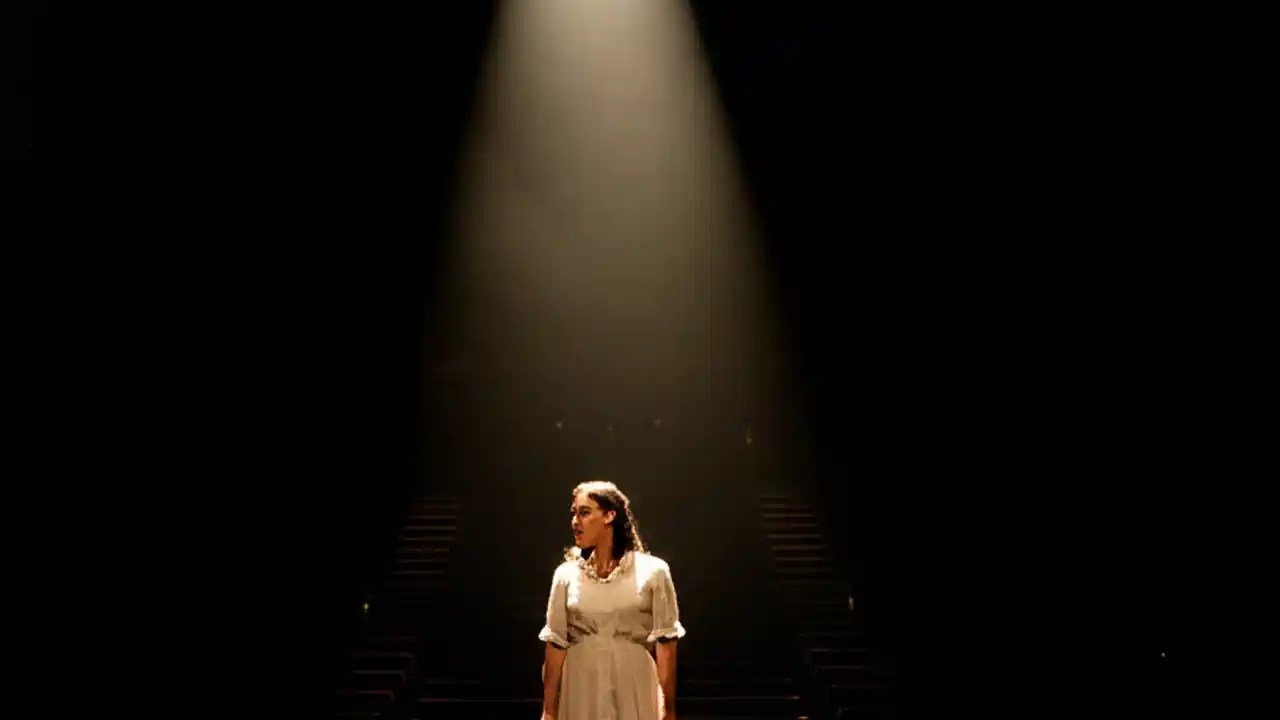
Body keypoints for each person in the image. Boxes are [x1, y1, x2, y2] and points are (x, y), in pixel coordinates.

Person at [539, 481, 686, 720]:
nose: (576, 521)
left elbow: (666, 646)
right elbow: (555, 646)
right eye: (574, 514)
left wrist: (668, 710)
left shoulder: (653, 571)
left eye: (585, 513)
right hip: (580, 685)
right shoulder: (566, 575)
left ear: (609, 515)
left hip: (634, 684)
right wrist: (548, 711)